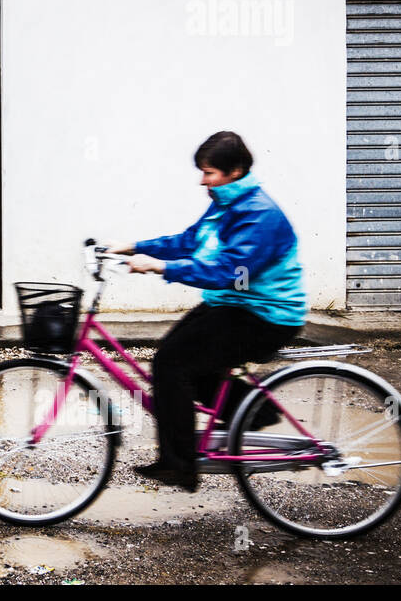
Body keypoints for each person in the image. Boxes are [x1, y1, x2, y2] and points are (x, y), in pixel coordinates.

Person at [109, 131, 306, 491]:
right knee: (177, 360)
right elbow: (189, 242)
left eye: (210, 173)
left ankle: (179, 465)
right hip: (234, 306)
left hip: (267, 316)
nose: (203, 180)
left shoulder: (259, 215)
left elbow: (231, 273)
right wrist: (133, 246)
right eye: (202, 172)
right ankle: (252, 412)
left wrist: (161, 267)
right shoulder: (226, 203)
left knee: (173, 363)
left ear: (236, 171)